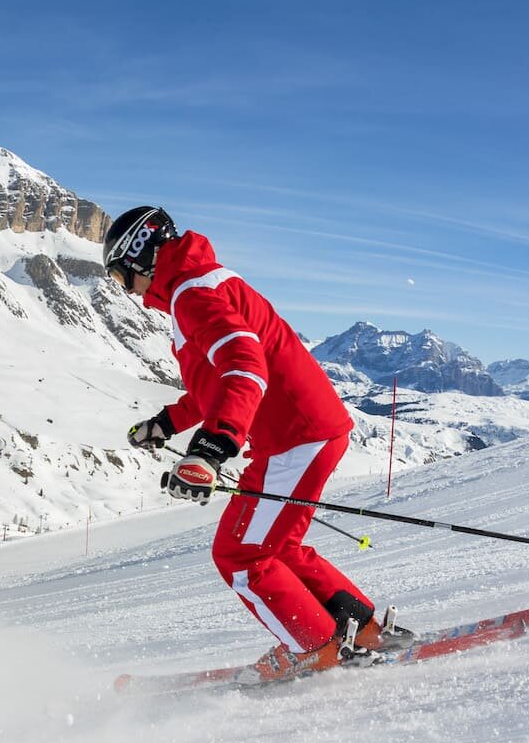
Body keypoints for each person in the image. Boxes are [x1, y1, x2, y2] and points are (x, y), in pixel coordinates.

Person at [106, 206, 410, 678]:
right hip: (308, 428)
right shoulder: (198, 283)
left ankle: (314, 648)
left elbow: (245, 368)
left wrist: (212, 448)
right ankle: (362, 631)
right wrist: (167, 423)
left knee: (239, 553)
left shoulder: (192, 293)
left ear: (139, 257)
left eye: (122, 278)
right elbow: (217, 382)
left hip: (293, 436)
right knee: (278, 547)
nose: (126, 291)